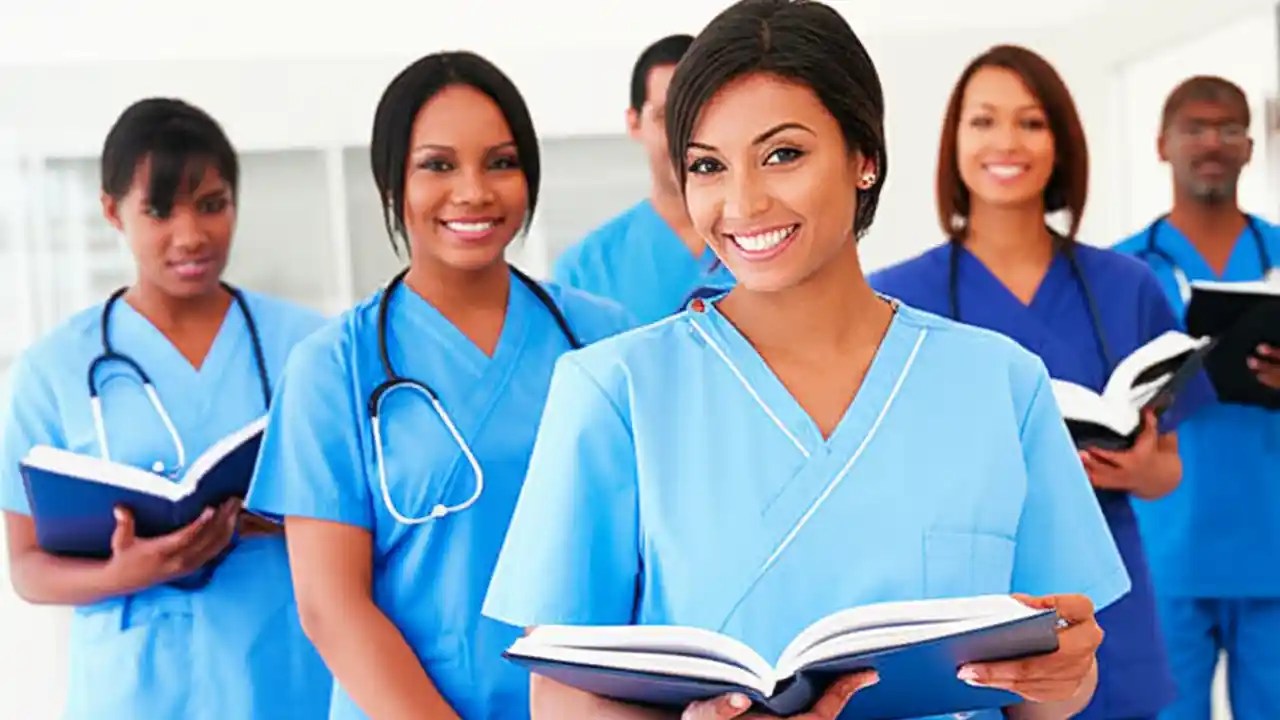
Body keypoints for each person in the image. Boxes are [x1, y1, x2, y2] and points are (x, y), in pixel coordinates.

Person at [482, 2, 1131, 719]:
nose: (743, 201)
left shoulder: (1000, 384)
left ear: (864, 158)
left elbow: (1053, 687)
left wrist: (1064, 680)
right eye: (707, 165)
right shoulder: (613, 392)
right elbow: (560, 695)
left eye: (782, 154)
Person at [245, 51, 633, 720]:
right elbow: (331, 607)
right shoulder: (334, 367)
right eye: (438, 164)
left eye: (502, 162)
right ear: (392, 182)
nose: (474, 191)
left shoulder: (603, 339)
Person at [868, 46, 1209, 720]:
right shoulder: (895, 298)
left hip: (1108, 592)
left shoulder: (1125, 286)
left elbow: (1167, 470)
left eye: (1031, 123)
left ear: (1061, 144)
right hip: (963, 601)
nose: (1006, 142)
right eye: (983, 121)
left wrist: (1137, 467)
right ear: (953, 143)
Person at [0, 98, 332, 719]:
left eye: (212, 205)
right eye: (159, 211)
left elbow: (363, 515)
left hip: (282, 677)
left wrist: (276, 518)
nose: (192, 235)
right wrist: (124, 573)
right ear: (112, 212)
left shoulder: (310, 348)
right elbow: (26, 568)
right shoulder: (53, 370)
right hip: (133, 691)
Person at [1112, 76, 1280, 720]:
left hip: (1271, 545)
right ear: (1162, 144)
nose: (1213, 142)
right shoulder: (1123, 271)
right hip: (1166, 552)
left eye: (1231, 127)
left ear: (1249, 146)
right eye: (1195, 127)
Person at [552, 33, 736, 324]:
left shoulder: (768, 237)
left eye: (700, 113)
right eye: (666, 116)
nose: (685, 135)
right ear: (634, 122)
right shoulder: (585, 271)